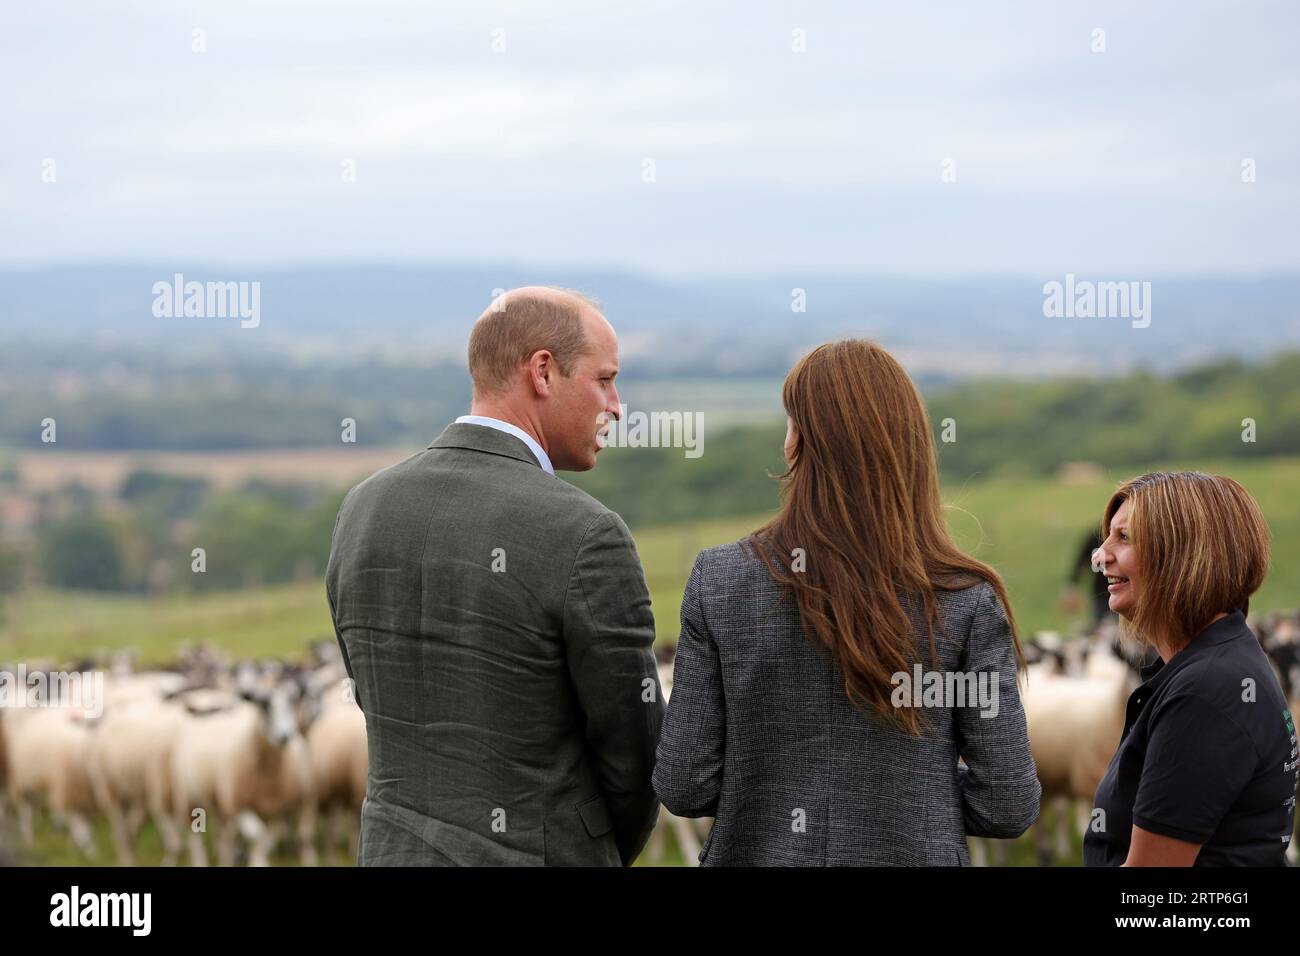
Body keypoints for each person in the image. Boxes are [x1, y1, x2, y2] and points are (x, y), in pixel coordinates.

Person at [653, 339, 1040, 865]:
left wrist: (772, 795)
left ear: (798, 445)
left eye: (790, 423)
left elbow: (684, 783)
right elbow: (1007, 803)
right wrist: (907, 799)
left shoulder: (720, 581)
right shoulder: (966, 600)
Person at [326, 286, 664, 866]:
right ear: (543, 372)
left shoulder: (362, 508)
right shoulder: (585, 533)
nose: (616, 405)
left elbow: (372, 696)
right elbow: (635, 753)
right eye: (604, 379)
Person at [1083, 471, 1293, 866]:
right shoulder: (1217, 665)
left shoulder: (1206, 692)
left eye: (1124, 538)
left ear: (1181, 553)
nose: (1100, 555)